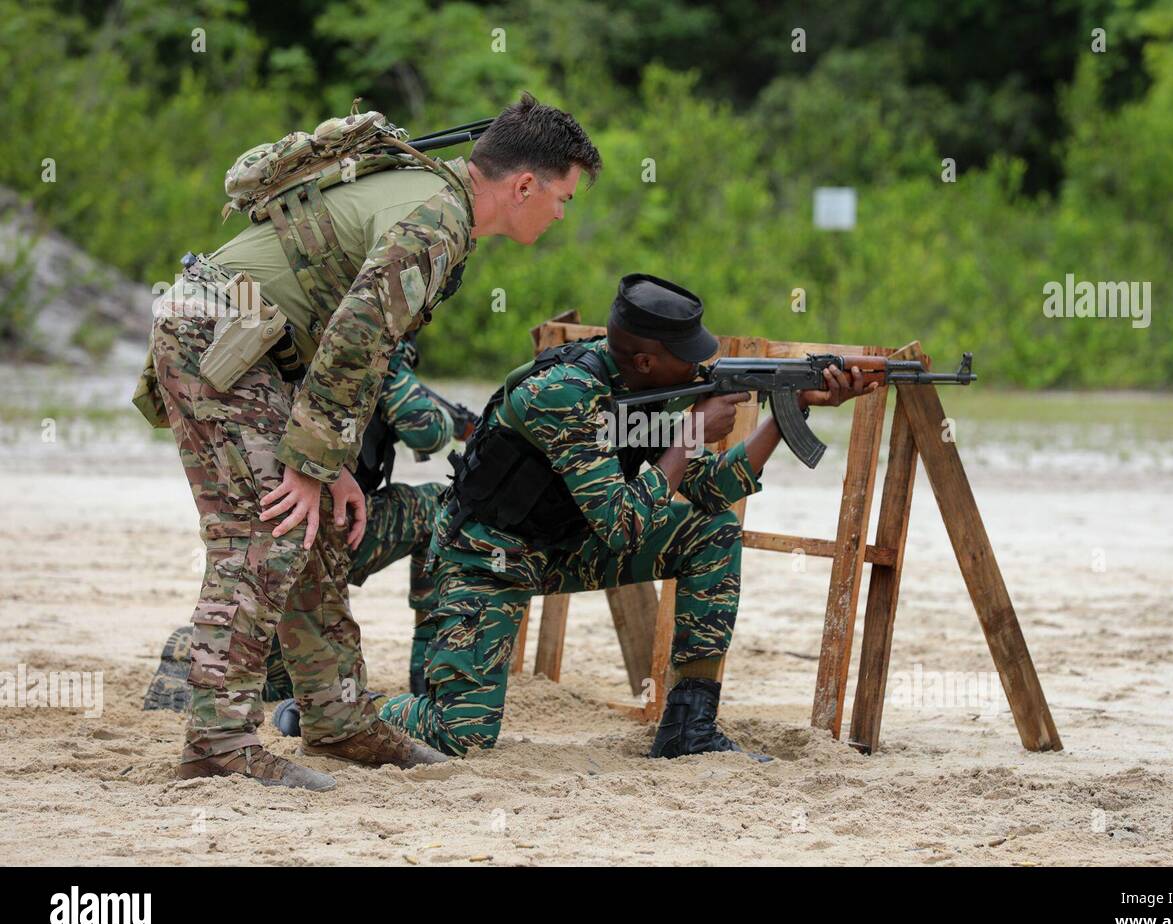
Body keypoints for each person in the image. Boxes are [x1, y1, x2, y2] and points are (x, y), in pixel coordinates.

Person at [133, 94, 602, 790]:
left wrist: (331, 467)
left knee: (311, 528)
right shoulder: (436, 218)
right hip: (221, 339)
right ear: (524, 185)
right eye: (563, 197)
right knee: (261, 538)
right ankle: (219, 748)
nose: (563, 214)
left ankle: (338, 721)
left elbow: (346, 336)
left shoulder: (434, 198)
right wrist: (310, 461)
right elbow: (359, 332)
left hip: (253, 346)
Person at [373, 274, 876, 759]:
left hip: (565, 547)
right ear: (645, 361)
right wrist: (689, 434)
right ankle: (343, 708)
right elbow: (622, 525)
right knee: (459, 735)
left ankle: (688, 727)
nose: (703, 368)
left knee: (711, 532)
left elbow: (709, 489)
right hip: (488, 561)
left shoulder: (642, 391)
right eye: (690, 360)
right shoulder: (563, 393)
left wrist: (792, 409)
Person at [142, 335, 474, 720]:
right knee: (440, 507)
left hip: (271, 533)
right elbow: (426, 431)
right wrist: (449, 418)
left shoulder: (296, 342)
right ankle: (429, 672)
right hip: (328, 524)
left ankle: (197, 657)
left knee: (282, 667)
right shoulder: (374, 351)